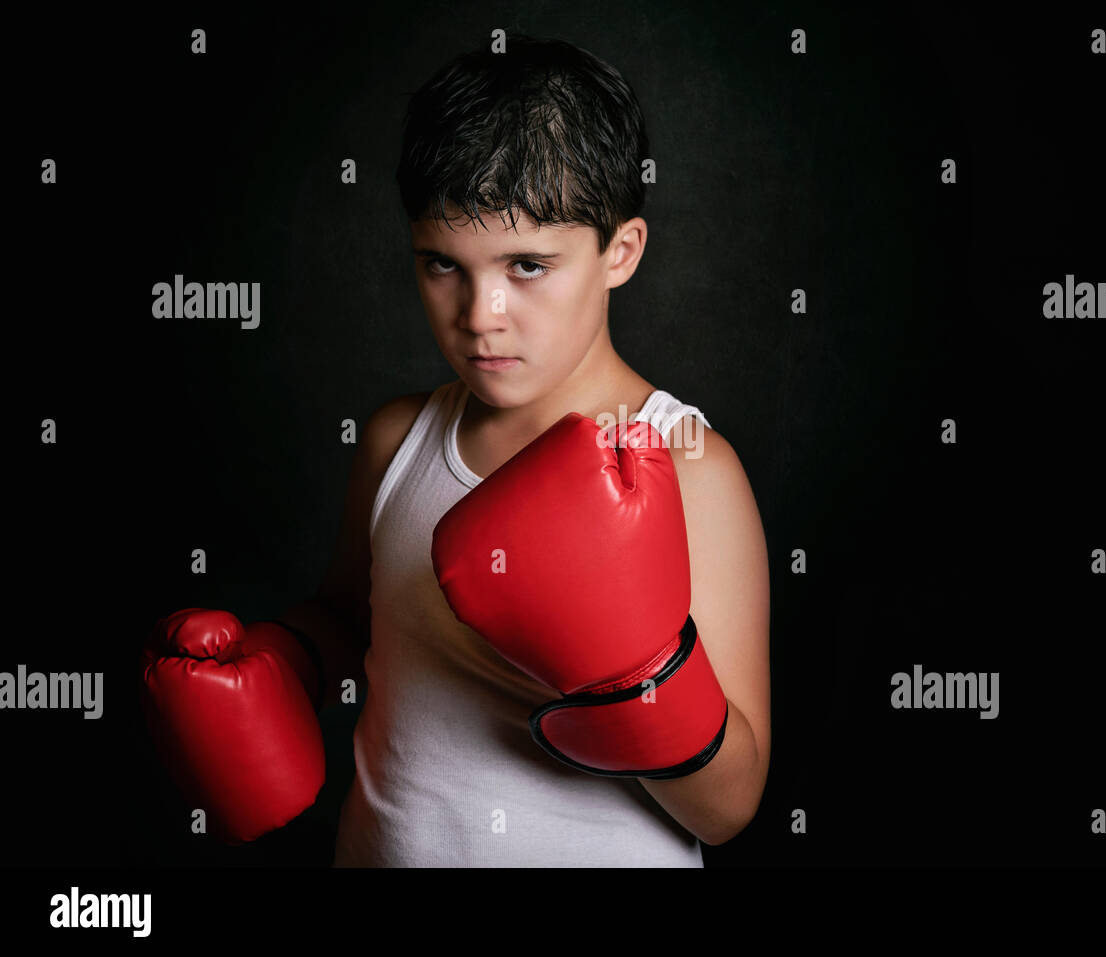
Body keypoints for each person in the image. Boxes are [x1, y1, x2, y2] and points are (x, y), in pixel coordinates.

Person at [142, 33, 770, 867]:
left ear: (619, 253)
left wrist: (637, 673)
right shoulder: (398, 440)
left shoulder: (690, 466)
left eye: (528, 265)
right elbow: (346, 616)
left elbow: (729, 807)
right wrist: (280, 664)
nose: (481, 312)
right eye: (443, 263)